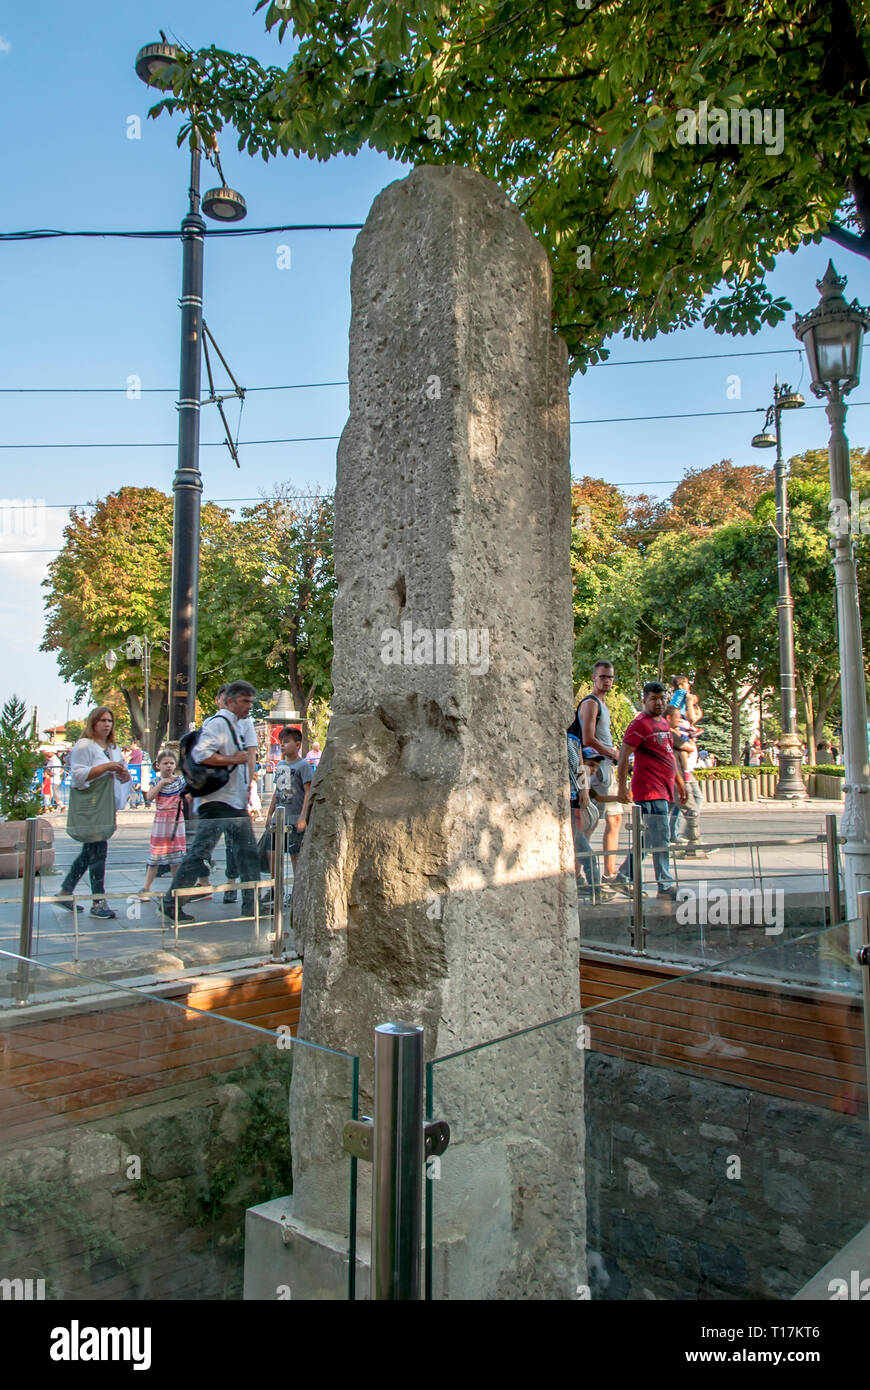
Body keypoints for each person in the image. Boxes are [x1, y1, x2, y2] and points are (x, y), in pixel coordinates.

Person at [161, 681, 261, 922]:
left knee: (247, 854)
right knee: (200, 852)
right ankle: (172, 901)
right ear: (231, 701)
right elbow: (201, 754)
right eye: (245, 701)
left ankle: (252, 904)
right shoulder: (218, 723)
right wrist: (232, 759)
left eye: (250, 701)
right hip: (216, 801)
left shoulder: (237, 725)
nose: (249, 706)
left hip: (233, 801)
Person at [54, 706, 131, 919]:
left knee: (91, 850)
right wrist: (107, 767)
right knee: (98, 850)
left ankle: (66, 891)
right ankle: (98, 901)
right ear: (93, 723)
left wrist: (122, 772)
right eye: (102, 720)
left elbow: (123, 776)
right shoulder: (84, 745)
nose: (107, 724)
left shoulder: (113, 747)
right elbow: (78, 776)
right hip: (92, 803)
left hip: (106, 803)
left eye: (110, 721)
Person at [613, 681, 687, 900]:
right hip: (649, 791)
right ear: (644, 700)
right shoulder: (639, 725)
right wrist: (622, 787)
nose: (659, 702)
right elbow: (624, 756)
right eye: (654, 698)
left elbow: (669, 757)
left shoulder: (663, 723)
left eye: (662, 698)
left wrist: (680, 785)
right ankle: (664, 884)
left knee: (648, 839)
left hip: (663, 790)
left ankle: (624, 875)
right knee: (661, 837)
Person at [572, 661, 624, 883]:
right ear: (594, 678)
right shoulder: (590, 703)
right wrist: (613, 753)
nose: (607, 681)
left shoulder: (603, 704)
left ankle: (605, 872)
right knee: (588, 824)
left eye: (610, 677)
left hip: (603, 767)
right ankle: (577, 874)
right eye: (603, 677)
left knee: (609, 820)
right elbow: (588, 739)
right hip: (592, 768)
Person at [265, 725, 314, 886]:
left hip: (293, 819)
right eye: (281, 742)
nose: (282, 745)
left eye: (286, 742)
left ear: (298, 745)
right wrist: (269, 814)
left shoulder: (303, 766)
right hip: (278, 819)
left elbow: (308, 791)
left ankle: (297, 889)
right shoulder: (280, 765)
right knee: (272, 852)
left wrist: (303, 816)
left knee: (295, 854)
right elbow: (277, 791)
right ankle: (274, 888)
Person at [139, 751, 187, 900]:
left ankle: (175, 889)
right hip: (161, 821)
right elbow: (149, 797)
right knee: (155, 856)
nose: (168, 766)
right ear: (158, 765)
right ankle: (146, 888)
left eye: (171, 763)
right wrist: (161, 783)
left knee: (176, 858)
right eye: (165, 763)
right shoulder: (155, 781)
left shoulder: (179, 781)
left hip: (176, 820)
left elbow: (188, 795)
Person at [666, 705, 704, 850]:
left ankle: (657, 840)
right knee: (690, 808)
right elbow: (689, 748)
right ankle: (694, 841)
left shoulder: (675, 732)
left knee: (668, 808)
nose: (680, 720)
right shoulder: (670, 733)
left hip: (681, 774)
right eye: (677, 717)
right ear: (669, 718)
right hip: (678, 776)